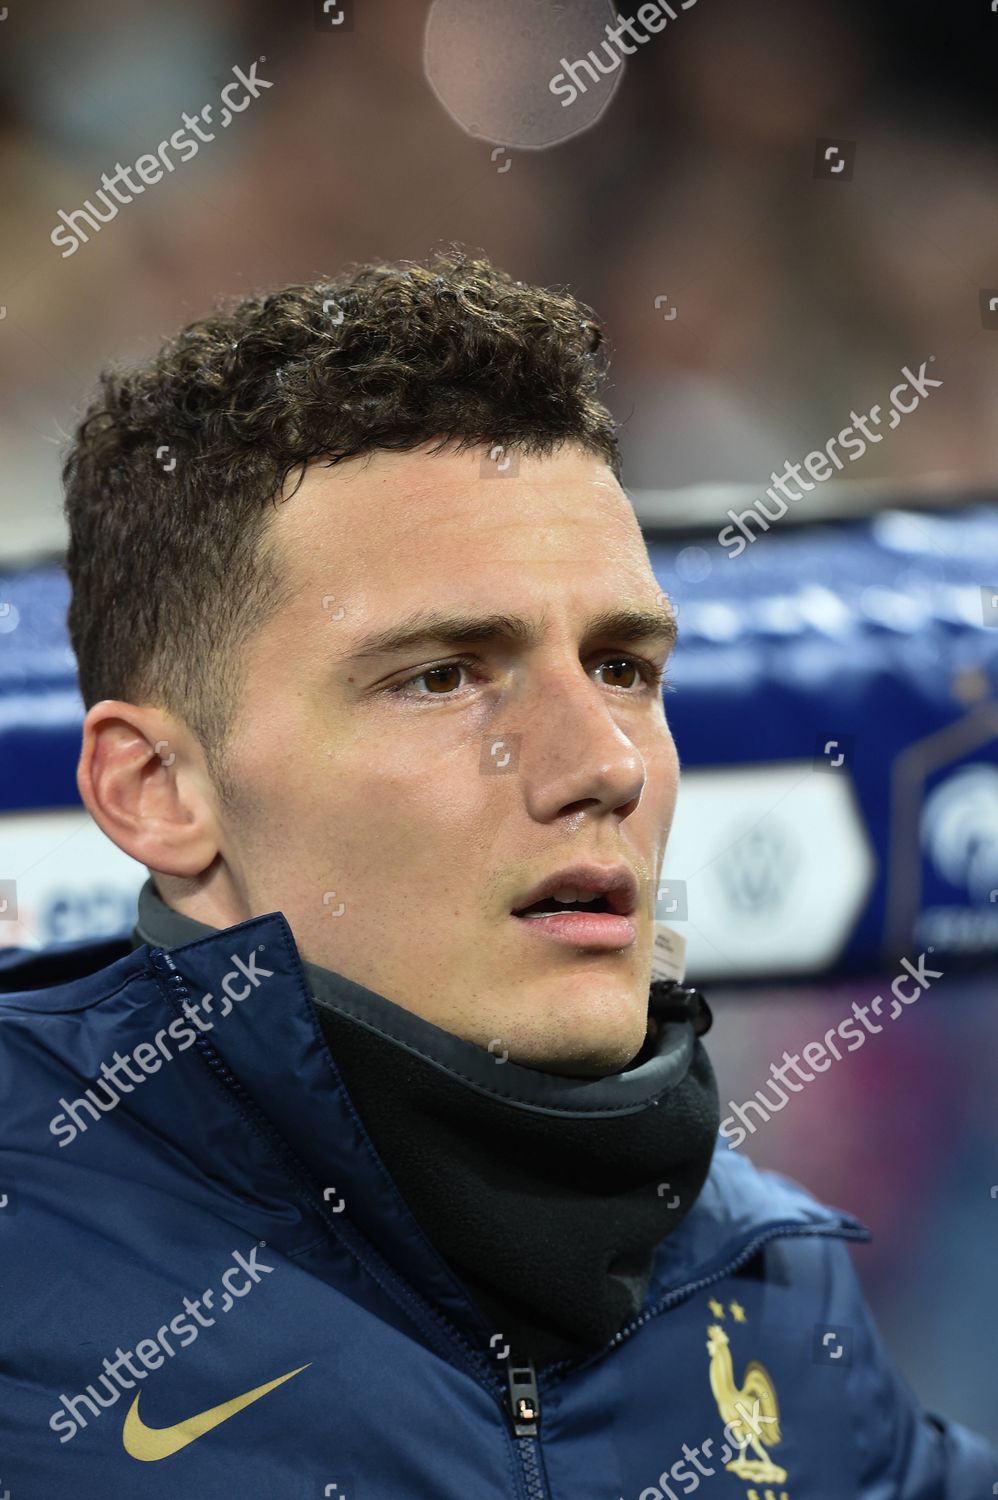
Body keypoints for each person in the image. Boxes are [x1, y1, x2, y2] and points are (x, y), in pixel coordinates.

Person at [0, 249, 993, 1497]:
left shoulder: (780, 1294)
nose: (603, 765)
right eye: (442, 675)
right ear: (158, 792)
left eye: (624, 666)